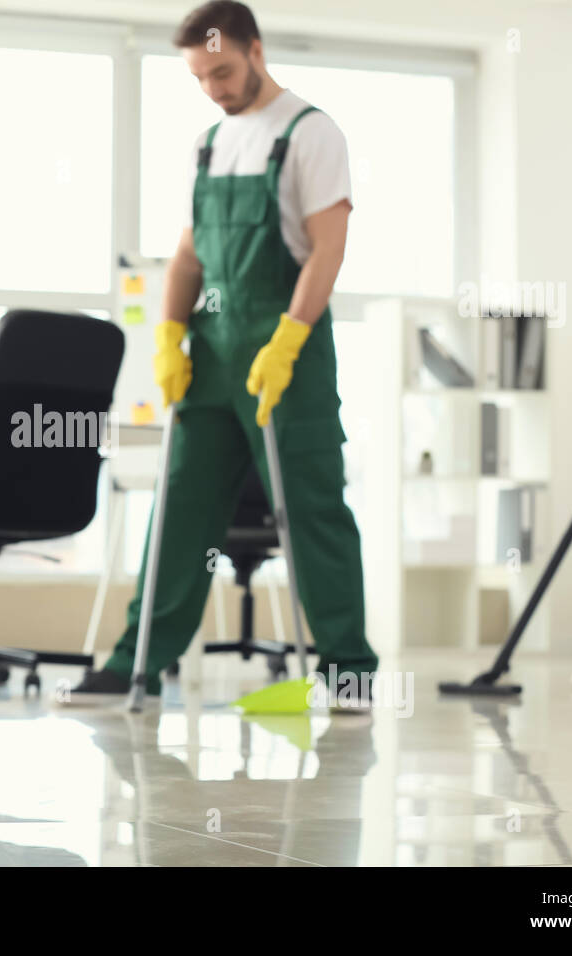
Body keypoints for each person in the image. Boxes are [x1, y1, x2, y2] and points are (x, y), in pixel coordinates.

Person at [68, 0, 378, 703]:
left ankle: (349, 670)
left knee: (313, 508)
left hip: (285, 349)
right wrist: (170, 335)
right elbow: (187, 257)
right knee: (179, 505)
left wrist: (290, 338)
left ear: (256, 50)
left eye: (224, 71)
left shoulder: (309, 132)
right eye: (201, 77)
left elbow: (327, 250)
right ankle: (135, 660)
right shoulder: (207, 144)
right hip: (210, 353)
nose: (214, 87)